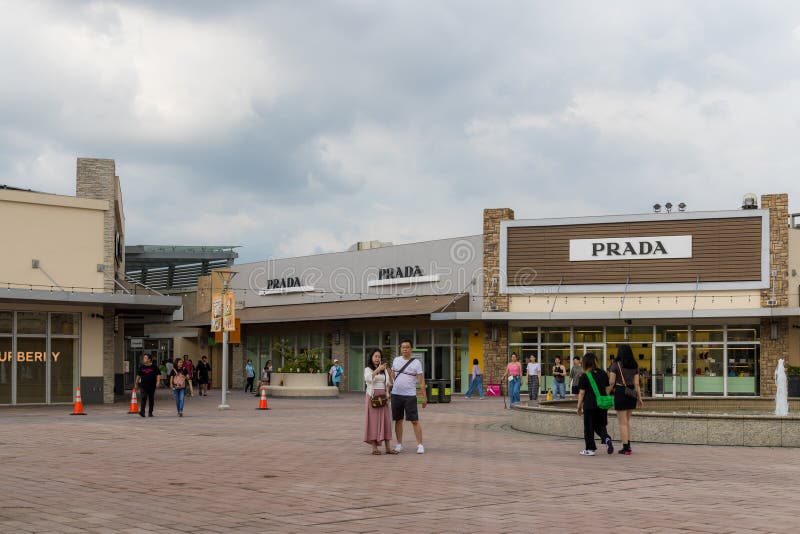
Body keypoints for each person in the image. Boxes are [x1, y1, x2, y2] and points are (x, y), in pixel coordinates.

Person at [391, 339, 427, 454]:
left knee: (414, 421)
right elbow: (392, 377)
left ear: (411, 349)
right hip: (396, 394)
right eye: (403, 347)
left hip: (410, 396)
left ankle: (420, 445)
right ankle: (399, 444)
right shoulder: (396, 360)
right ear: (400, 349)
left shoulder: (416, 363)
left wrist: (424, 397)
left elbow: (421, 382)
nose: (405, 349)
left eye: (407, 347)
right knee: (398, 420)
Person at [576, 352, 614, 456]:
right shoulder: (603, 373)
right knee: (600, 425)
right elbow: (607, 388)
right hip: (601, 405)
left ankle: (590, 449)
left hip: (589, 405)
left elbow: (582, 393)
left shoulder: (584, 376)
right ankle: (606, 438)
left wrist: (579, 407)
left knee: (589, 427)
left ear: (585, 363)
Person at [609, 345, 644, 455]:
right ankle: (628, 445)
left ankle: (626, 448)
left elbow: (611, 382)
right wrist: (640, 398)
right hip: (632, 393)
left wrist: (606, 393)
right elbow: (637, 383)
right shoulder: (635, 365)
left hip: (620, 392)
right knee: (627, 422)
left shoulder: (615, 365)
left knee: (622, 423)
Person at [364, 348, 398, 455]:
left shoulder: (384, 369)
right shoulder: (368, 369)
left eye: (379, 356)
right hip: (372, 397)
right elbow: (368, 379)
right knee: (373, 421)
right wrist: (378, 369)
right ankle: (374, 447)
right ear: (371, 357)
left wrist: (390, 374)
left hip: (383, 397)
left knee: (386, 420)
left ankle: (388, 447)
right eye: (375, 356)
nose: (377, 358)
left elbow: (389, 383)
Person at [135, 353, 160, 418]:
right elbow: (138, 376)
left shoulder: (154, 366)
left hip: (152, 385)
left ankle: (150, 412)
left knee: (151, 399)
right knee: (143, 397)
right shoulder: (141, 367)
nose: (144, 359)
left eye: (145, 358)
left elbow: (158, 374)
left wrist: (158, 382)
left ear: (149, 359)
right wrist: (136, 384)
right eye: (144, 358)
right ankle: (142, 412)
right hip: (143, 385)